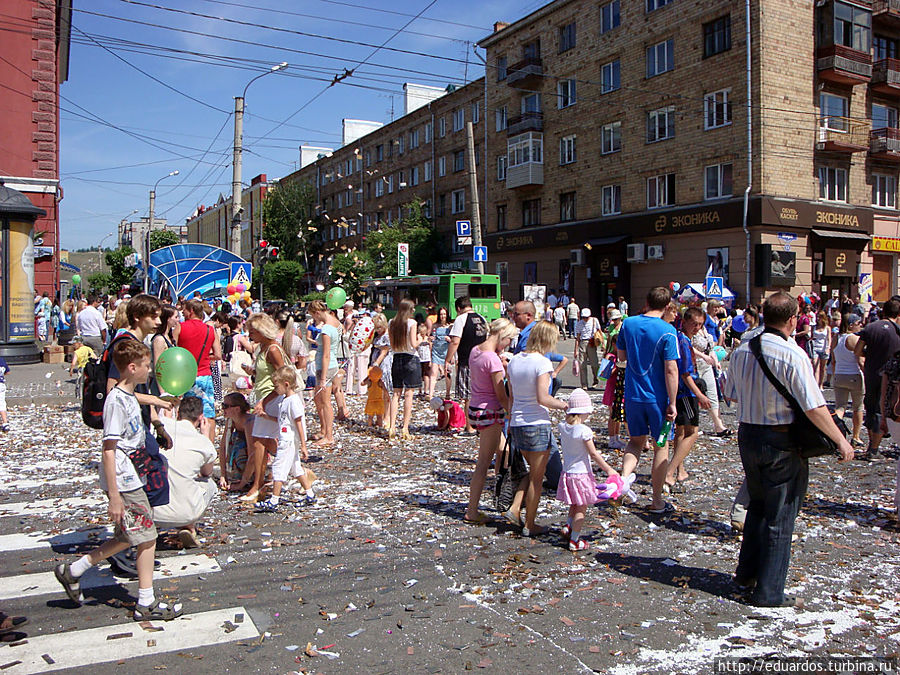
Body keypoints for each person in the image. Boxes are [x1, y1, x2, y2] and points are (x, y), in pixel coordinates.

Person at [725, 291, 853, 607]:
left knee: (756, 505)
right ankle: (769, 593)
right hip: (781, 439)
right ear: (793, 319)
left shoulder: (743, 349)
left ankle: (747, 574)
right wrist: (840, 439)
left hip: (748, 435)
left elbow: (731, 393)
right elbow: (814, 406)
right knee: (781, 515)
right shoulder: (791, 354)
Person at [54, 339, 183, 622]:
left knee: (128, 536)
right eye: (147, 366)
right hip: (124, 480)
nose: (151, 371)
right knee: (147, 537)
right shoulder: (115, 402)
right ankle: (146, 602)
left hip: (134, 473)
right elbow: (108, 450)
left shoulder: (126, 394)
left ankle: (73, 571)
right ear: (133, 368)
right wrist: (114, 495)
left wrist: (159, 401)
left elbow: (132, 398)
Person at [617, 287, 680, 514]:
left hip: (633, 394)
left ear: (646, 301)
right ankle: (656, 501)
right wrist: (672, 403)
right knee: (660, 445)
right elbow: (671, 369)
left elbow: (621, 356)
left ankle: (623, 482)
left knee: (635, 442)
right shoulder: (668, 331)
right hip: (657, 398)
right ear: (667, 306)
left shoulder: (629, 323)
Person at [507, 321, 568, 535]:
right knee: (537, 477)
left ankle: (515, 508)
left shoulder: (514, 360)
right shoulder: (542, 363)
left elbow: (511, 397)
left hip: (517, 422)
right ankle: (530, 524)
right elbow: (544, 398)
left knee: (529, 471)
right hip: (536, 423)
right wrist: (565, 405)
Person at [462, 317, 518, 524]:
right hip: (490, 411)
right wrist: (512, 411)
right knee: (483, 462)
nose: (509, 344)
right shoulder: (492, 359)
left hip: (477, 407)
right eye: (509, 340)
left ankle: (499, 491)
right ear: (502, 336)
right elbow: (501, 394)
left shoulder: (476, 351)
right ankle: (472, 510)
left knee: (504, 451)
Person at [556, 388, 618, 551]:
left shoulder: (563, 427)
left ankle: (568, 526)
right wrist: (609, 469)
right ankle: (575, 540)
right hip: (581, 474)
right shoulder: (584, 431)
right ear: (583, 411)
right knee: (581, 507)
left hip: (567, 473)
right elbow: (593, 454)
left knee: (574, 503)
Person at [152, 397, 216, 549]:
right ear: (201, 418)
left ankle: (155, 528)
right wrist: (206, 435)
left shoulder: (162, 427)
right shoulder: (202, 442)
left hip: (152, 509)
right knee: (209, 484)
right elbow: (207, 472)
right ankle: (188, 526)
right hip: (185, 512)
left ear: (178, 414)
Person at [255, 366, 316, 512]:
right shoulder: (285, 400)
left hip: (288, 440)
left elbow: (299, 423)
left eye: (277, 386)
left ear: (286, 384)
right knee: (296, 468)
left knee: (279, 467)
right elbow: (283, 420)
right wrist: (267, 417)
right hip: (286, 437)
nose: (276, 390)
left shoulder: (293, 401)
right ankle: (310, 493)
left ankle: (274, 500)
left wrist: (303, 445)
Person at [241, 312, 287, 503]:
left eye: (252, 331)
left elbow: (284, 378)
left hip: (272, 399)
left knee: (260, 441)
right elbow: (267, 374)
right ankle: (291, 470)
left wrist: (264, 401)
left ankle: (257, 485)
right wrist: (253, 372)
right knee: (266, 441)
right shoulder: (263, 348)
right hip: (265, 397)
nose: (249, 334)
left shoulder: (273, 349)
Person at [665, 307, 712, 489]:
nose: (697, 328)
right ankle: (670, 471)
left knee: (681, 431)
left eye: (700, 324)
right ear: (684, 322)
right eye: (694, 324)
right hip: (687, 391)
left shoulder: (681, 338)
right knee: (692, 432)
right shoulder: (683, 341)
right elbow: (685, 372)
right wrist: (699, 394)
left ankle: (680, 469)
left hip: (681, 391)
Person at [854, 298, 900, 460]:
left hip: (871, 372)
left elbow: (857, 350)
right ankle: (874, 448)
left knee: (871, 408)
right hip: (891, 378)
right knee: (883, 410)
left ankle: (870, 447)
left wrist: (870, 355)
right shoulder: (897, 331)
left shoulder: (871, 327)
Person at [177, 300, 222, 441]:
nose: (182, 313)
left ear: (191, 311)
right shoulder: (210, 329)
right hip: (205, 375)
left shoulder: (180, 327)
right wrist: (205, 357)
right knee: (208, 414)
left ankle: (185, 445)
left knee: (184, 414)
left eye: (184, 310)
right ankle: (208, 447)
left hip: (185, 376)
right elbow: (218, 355)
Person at [444, 296, 488, 436]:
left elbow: (455, 341)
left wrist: (448, 359)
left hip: (467, 361)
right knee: (481, 394)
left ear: (458, 308)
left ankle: (470, 426)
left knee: (469, 396)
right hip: (482, 361)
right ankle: (481, 423)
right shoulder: (482, 318)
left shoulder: (461, 319)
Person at [388, 299, 423, 440]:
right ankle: (405, 428)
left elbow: (391, 344)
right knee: (409, 394)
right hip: (410, 359)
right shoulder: (412, 323)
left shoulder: (391, 323)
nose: (414, 311)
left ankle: (391, 426)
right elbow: (414, 344)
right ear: (408, 309)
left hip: (396, 357)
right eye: (412, 308)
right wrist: (421, 339)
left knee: (396, 394)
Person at [309, 300, 343, 446]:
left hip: (326, 368)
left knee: (325, 402)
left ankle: (329, 435)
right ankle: (324, 431)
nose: (314, 320)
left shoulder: (326, 330)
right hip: (329, 365)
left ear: (317, 313)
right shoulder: (335, 323)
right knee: (320, 400)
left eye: (313, 316)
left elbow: (326, 355)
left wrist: (323, 378)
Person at [832, 313, 865, 447]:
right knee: (858, 407)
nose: (860, 325)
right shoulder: (853, 339)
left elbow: (833, 360)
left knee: (840, 407)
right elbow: (861, 360)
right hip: (853, 374)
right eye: (858, 323)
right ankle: (856, 436)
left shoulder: (836, 338)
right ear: (851, 325)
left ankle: (836, 434)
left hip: (839, 374)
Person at [219, 392, 254, 490]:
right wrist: (223, 475)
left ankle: (248, 478)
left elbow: (253, 452)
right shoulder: (230, 421)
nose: (223, 409)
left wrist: (241, 484)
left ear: (237, 409)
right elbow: (223, 446)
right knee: (233, 440)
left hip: (253, 454)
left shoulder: (248, 422)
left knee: (238, 443)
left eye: (225, 406)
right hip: (245, 451)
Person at [603, 309, 626, 449]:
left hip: (620, 387)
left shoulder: (622, 356)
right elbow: (604, 374)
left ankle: (617, 437)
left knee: (618, 414)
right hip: (612, 387)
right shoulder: (610, 356)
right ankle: (612, 438)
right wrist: (616, 367)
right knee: (612, 414)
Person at [149, 306, 178, 398]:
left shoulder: (170, 337)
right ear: (168, 319)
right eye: (176, 317)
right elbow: (158, 366)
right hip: (162, 385)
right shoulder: (159, 340)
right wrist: (163, 393)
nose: (178, 320)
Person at [574, 307, 601, 390]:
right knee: (582, 364)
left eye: (586, 317)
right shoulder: (579, 323)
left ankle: (596, 380)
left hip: (592, 342)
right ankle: (584, 384)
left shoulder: (594, 320)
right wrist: (576, 350)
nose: (585, 319)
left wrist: (603, 343)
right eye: (583, 317)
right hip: (582, 342)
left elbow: (599, 331)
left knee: (595, 364)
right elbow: (577, 337)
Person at [429, 306, 452, 400]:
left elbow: (454, 339)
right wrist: (431, 339)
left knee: (447, 373)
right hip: (436, 350)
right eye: (441, 314)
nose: (442, 316)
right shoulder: (435, 326)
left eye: (444, 314)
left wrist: (449, 339)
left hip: (447, 351)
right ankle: (430, 394)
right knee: (433, 372)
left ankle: (448, 393)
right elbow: (430, 337)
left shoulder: (450, 326)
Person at [810, 311, 830, 387]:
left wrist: (827, 348)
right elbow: (812, 337)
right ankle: (815, 385)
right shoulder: (814, 327)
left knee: (822, 368)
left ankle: (820, 384)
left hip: (823, 348)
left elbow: (828, 339)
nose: (818, 319)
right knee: (816, 367)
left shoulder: (827, 328)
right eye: (817, 317)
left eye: (820, 317)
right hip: (815, 348)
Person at [417, 323, 432, 399]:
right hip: (419, 358)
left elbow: (431, 348)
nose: (423, 335)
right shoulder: (418, 338)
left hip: (427, 358)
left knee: (426, 375)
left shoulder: (427, 339)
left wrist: (431, 360)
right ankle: (420, 390)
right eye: (421, 333)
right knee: (419, 375)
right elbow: (416, 347)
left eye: (424, 333)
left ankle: (426, 390)